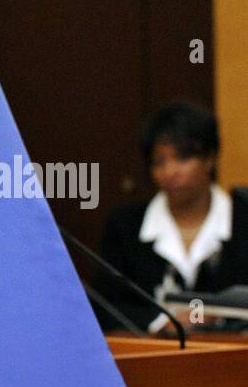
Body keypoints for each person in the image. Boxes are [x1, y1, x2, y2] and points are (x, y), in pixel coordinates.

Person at [97, 101, 248, 334]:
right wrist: (160, 323)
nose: (170, 172)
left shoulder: (243, 218)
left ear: (210, 158)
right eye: (159, 162)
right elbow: (105, 305)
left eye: (183, 158)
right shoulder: (126, 225)